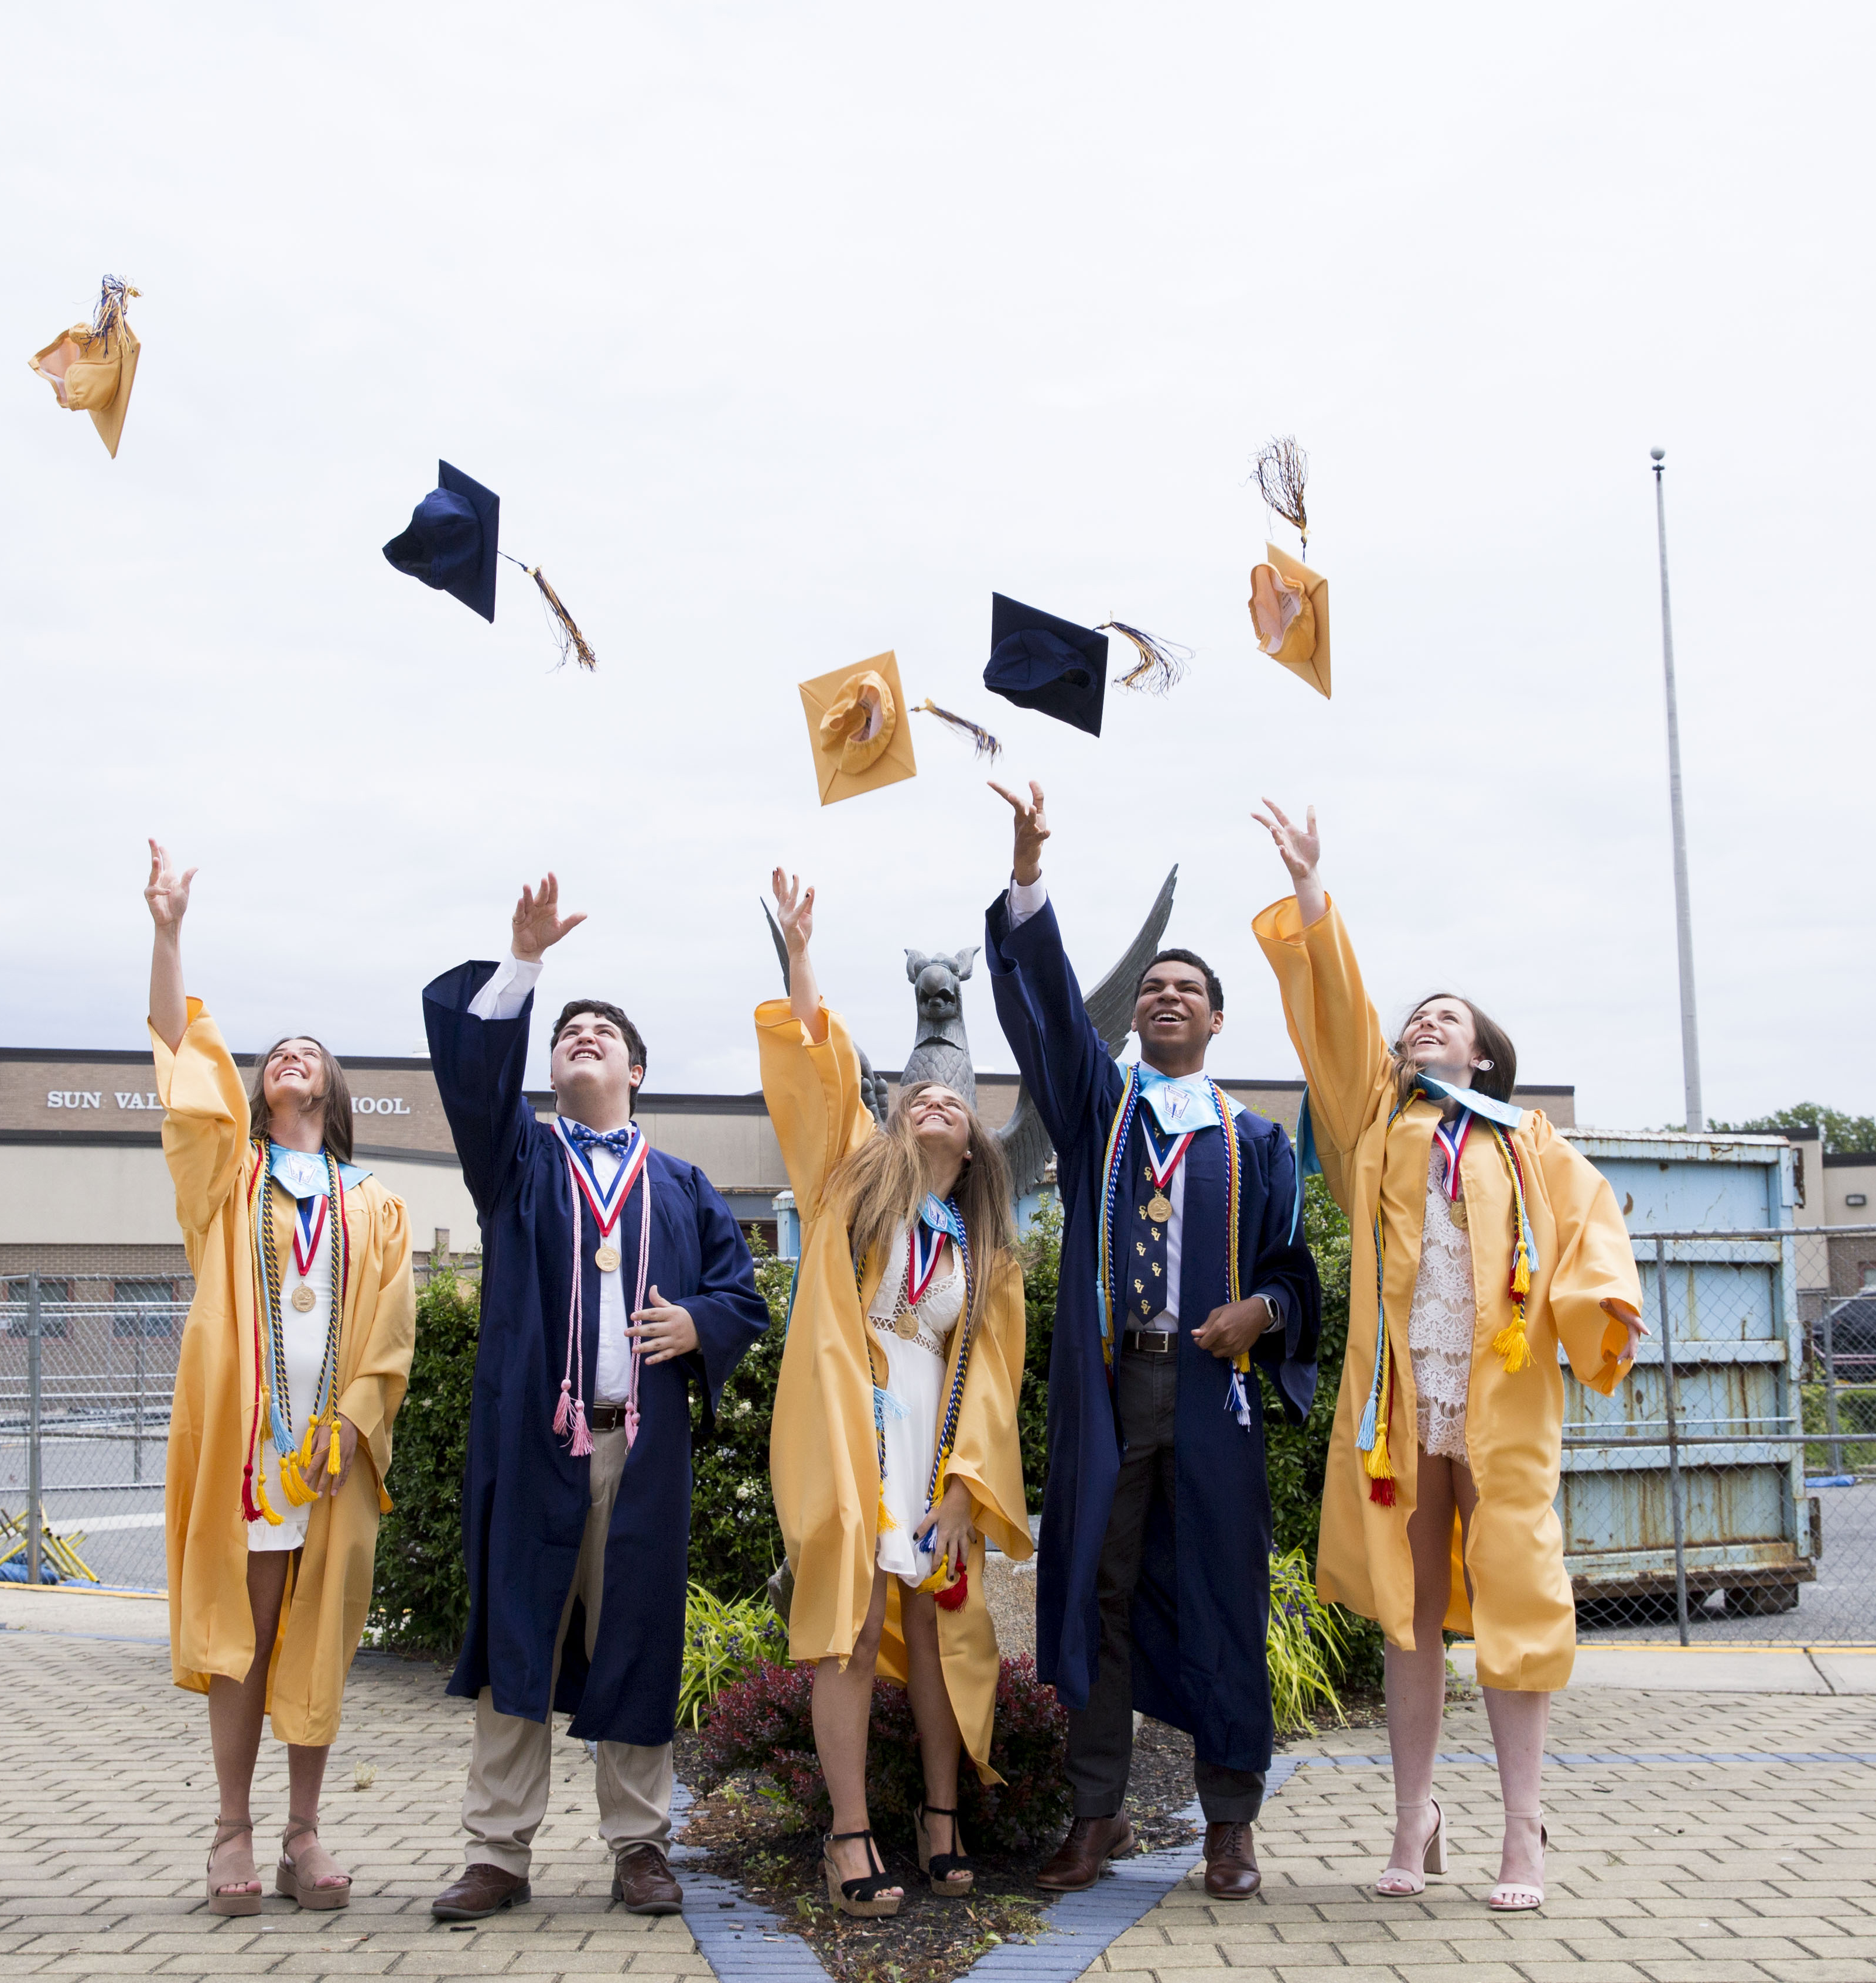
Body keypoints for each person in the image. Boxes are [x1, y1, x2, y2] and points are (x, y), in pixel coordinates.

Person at [1248, 800, 1645, 1912]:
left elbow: (1591, 1232)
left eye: (1446, 1018)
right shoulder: (1380, 1120)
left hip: (1501, 1403)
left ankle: (1525, 1832)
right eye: (1417, 1015)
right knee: (1408, 1609)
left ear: (1485, 1054)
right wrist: (1314, 896)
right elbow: (1334, 1022)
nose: (1424, 1024)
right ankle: (1411, 1816)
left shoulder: (1530, 1143)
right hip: (1399, 1404)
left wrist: (1605, 1300)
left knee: (1517, 1599)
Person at [980, 781, 1324, 1902]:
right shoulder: (1100, 1115)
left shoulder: (1258, 1142)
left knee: (1222, 1591)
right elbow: (1044, 1010)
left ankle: (1231, 1825)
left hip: (1215, 1398)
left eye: (1191, 989)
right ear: (1135, 1018)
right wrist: (1030, 876)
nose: (1169, 997)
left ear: (1219, 1021)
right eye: (1156, 989)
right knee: (1097, 1590)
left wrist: (1262, 1316)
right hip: (1115, 1385)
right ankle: (1096, 1817)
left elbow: (1293, 1274)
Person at [420, 873, 772, 1922]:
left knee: (637, 1643)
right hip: (537, 1445)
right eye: (566, 1030)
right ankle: (497, 1852)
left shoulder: (683, 1184)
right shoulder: (519, 1161)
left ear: (636, 1069)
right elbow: (476, 1081)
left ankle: (639, 1847)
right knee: (519, 1635)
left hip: (644, 1448)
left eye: (601, 1031)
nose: (580, 1036)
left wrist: (698, 1327)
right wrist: (525, 962)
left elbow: (740, 1297)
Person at [143, 840, 418, 1916]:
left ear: (335, 1086)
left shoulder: (374, 1203)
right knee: (242, 1644)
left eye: (313, 1051)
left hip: (329, 1459)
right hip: (249, 1457)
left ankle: (306, 1833)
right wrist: (167, 935)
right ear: (259, 1088)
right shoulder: (227, 1180)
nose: (292, 1057)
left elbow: (390, 1331)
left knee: (315, 1647)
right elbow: (179, 1059)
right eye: (278, 1052)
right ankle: (231, 1831)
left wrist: (352, 1425)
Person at [758, 868, 1033, 1919]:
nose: (936, 1100)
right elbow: (820, 1069)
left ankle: (941, 1815)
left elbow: (998, 1382)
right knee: (846, 1619)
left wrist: (969, 1486)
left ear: (974, 1145)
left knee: (935, 1627)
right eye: (921, 1092)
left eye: (956, 1101)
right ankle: (849, 1831)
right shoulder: (851, 1184)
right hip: (850, 1437)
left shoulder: (988, 1253)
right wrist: (799, 958)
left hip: (934, 1448)